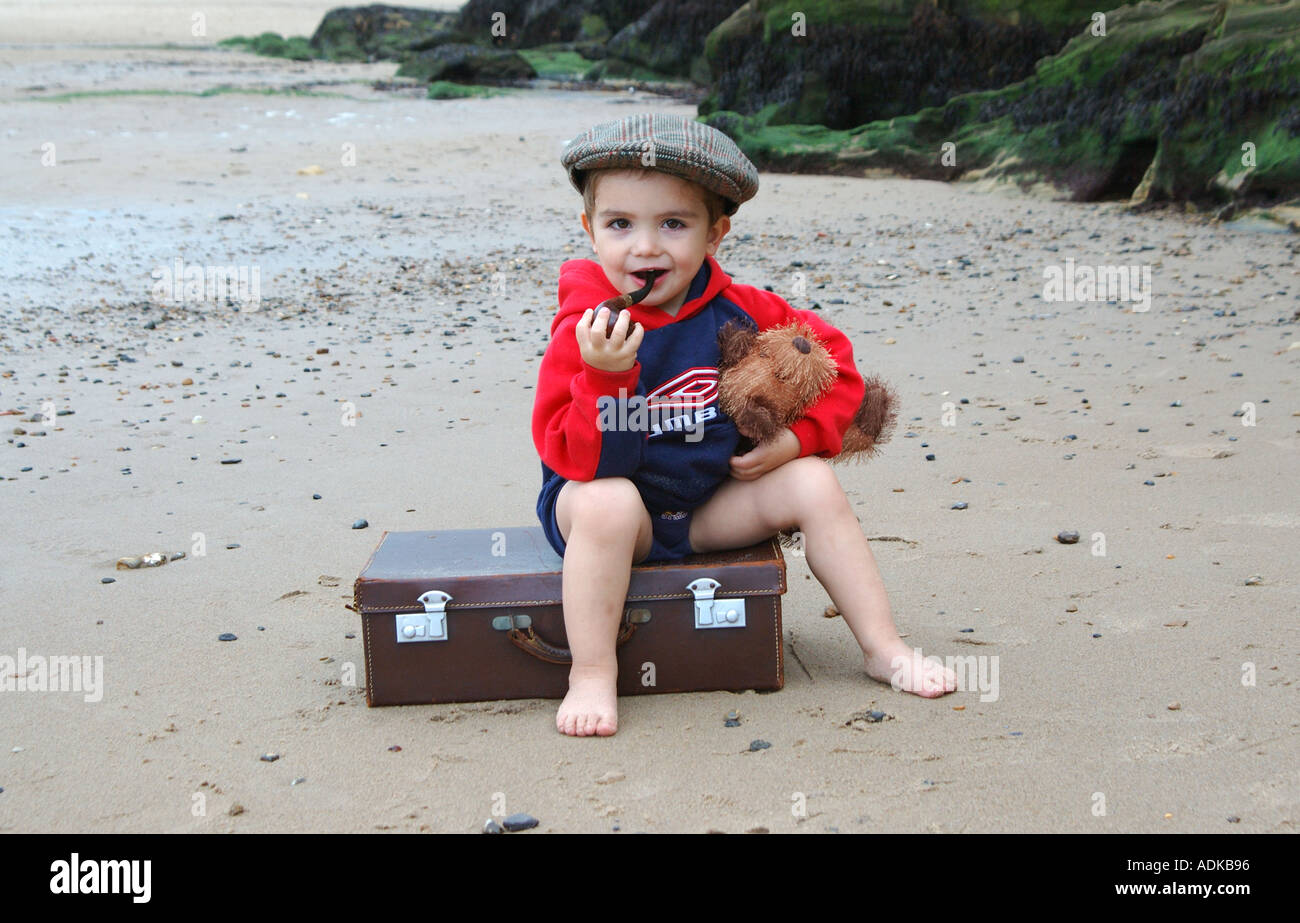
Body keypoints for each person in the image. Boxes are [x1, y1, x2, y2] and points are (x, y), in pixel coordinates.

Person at [532, 113, 956, 737]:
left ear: (716, 233)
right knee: (608, 504)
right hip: (613, 514)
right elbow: (591, 465)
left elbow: (838, 369)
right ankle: (593, 671)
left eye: (673, 224)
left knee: (812, 482)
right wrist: (606, 379)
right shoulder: (585, 330)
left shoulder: (746, 312)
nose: (645, 247)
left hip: (708, 507)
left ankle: (882, 646)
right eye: (620, 224)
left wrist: (795, 440)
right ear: (589, 228)